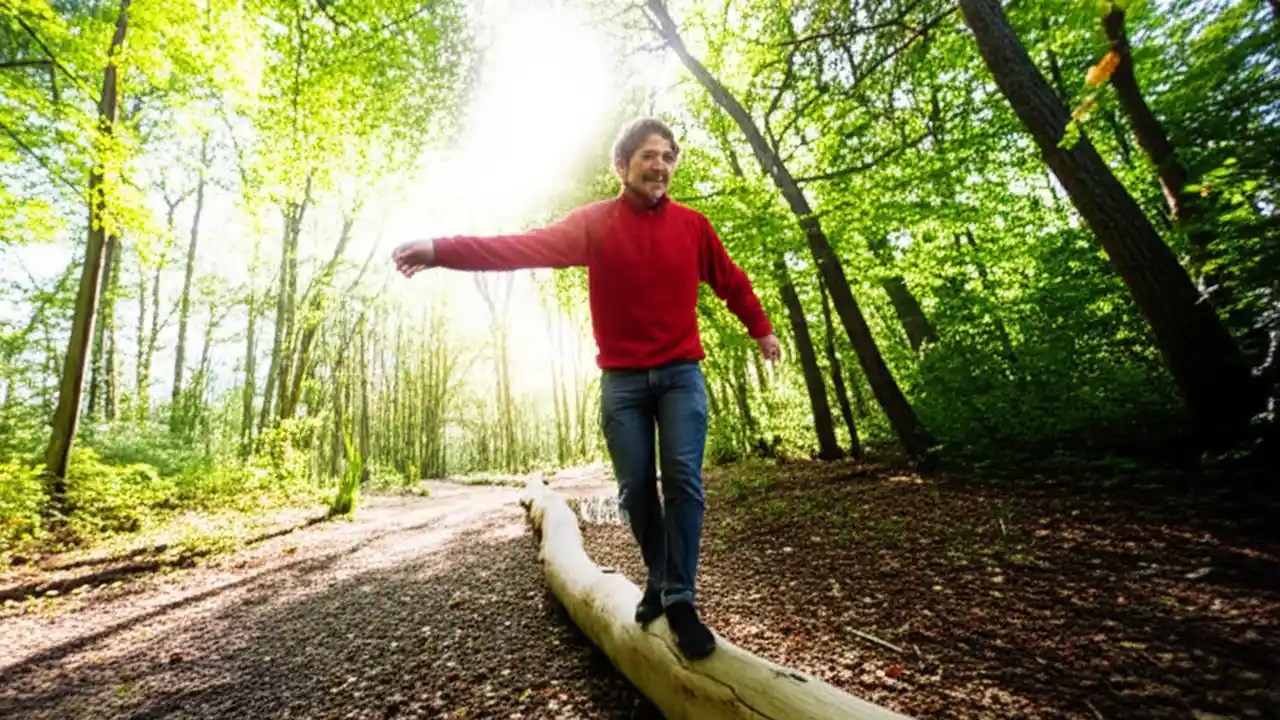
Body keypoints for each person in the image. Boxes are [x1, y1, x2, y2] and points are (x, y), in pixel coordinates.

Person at [392, 117, 779, 659]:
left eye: (668, 156)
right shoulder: (594, 224)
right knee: (636, 490)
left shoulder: (693, 227)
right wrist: (439, 249)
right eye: (649, 155)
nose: (661, 165)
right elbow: (518, 248)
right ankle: (659, 577)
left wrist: (760, 328)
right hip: (622, 382)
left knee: (684, 480)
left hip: (680, 376)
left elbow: (732, 281)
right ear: (622, 166)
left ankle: (681, 599)